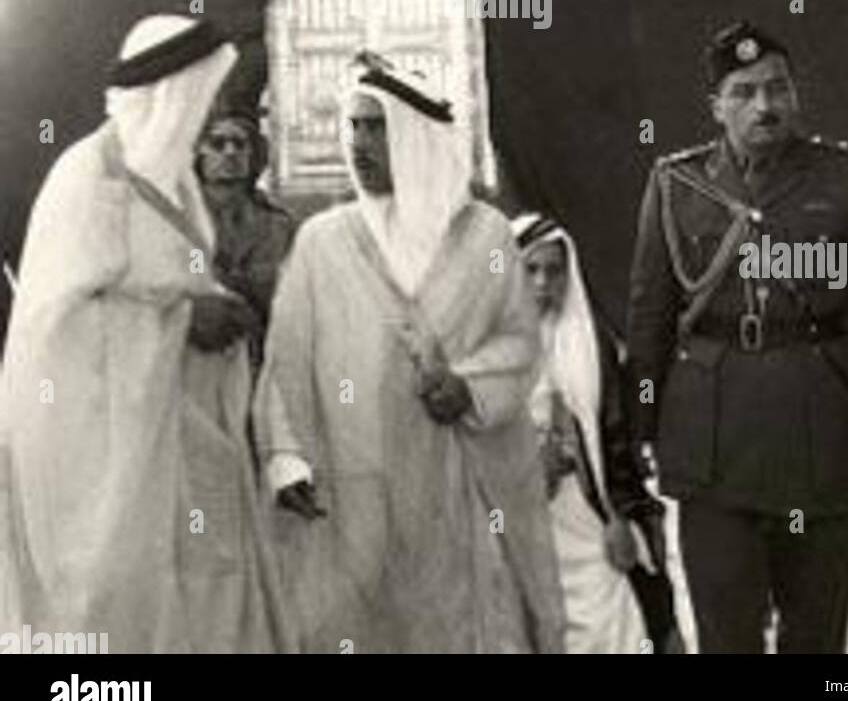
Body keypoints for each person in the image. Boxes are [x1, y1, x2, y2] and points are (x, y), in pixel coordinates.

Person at [0, 15, 293, 654]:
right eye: (203, 93)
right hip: (111, 463)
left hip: (194, 439)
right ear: (170, 92)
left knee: (207, 600)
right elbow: (57, 327)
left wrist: (218, 308)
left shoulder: (177, 183)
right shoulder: (88, 179)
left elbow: (169, 281)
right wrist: (188, 321)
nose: (213, 110)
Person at [626, 20, 848, 654]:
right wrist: (639, 431)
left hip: (818, 425)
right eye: (745, 92)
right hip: (710, 437)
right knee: (726, 632)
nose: (765, 105)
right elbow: (650, 315)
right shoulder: (677, 186)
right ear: (717, 108)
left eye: (777, 88)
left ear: (796, 96)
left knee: (814, 633)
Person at [253, 55, 564, 654]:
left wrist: (469, 388)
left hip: (461, 486)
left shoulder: (486, 235)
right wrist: (287, 456)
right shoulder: (322, 241)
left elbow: (520, 341)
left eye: (378, 128)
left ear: (419, 139)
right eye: (355, 127)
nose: (361, 144)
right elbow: (284, 357)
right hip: (355, 485)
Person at [513, 212, 677, 653]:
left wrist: (619, 517)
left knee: (607, 625)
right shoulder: (487, 347)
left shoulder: (588, 344)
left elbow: (613, 440)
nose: (542, 283)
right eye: (530, 269)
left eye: (553, 270)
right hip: (515, 516)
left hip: (584, 509)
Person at [195, 105, 295, 373]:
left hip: (262, 361)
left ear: (253, 155)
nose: (231, 152)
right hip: (198, 364)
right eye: (218, 144)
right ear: (199, 154)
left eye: (240, 144)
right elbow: (190, 279)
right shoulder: (185, 222)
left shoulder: (278, 225)